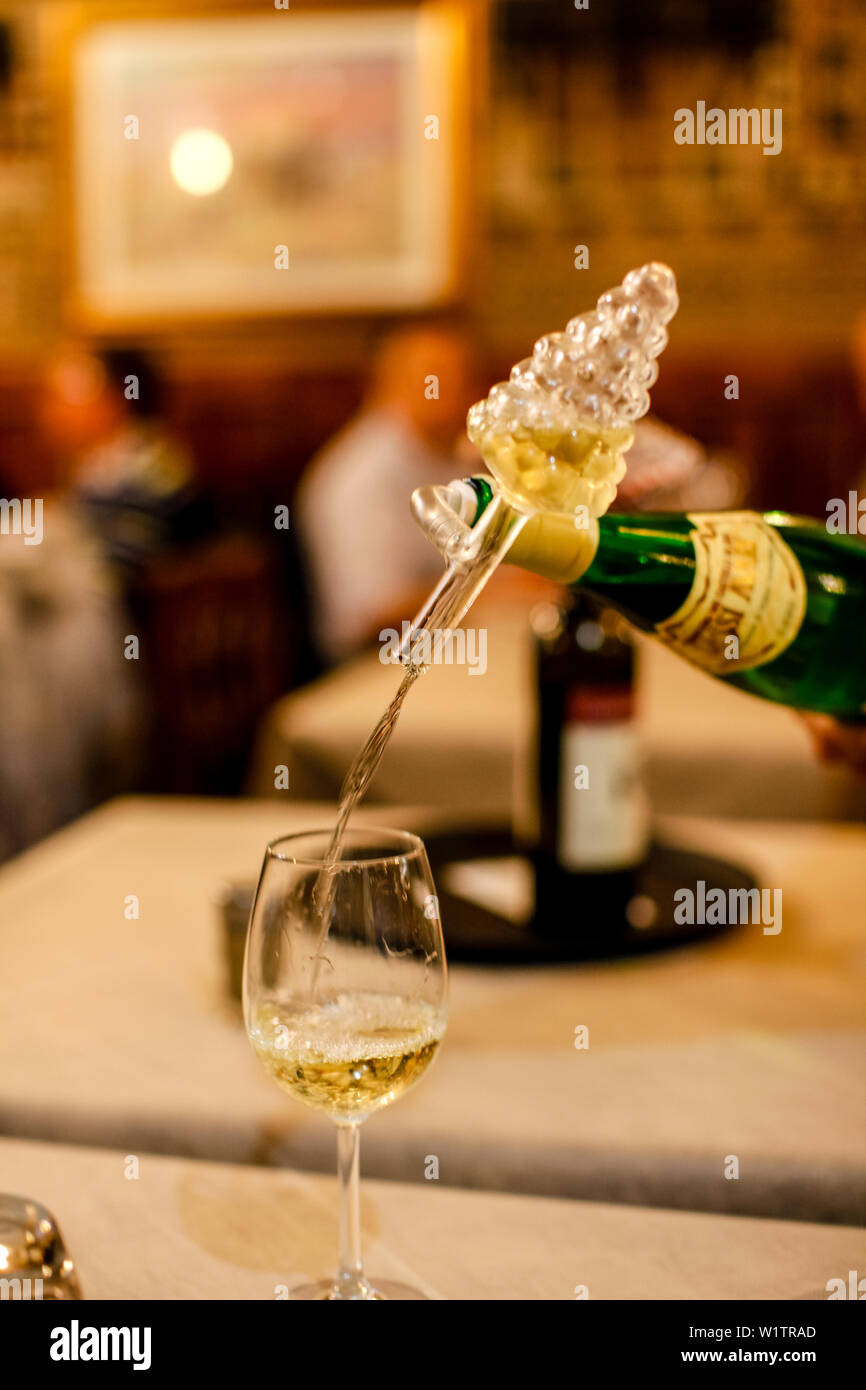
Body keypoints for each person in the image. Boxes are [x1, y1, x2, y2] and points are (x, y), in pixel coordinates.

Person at [296, 321, 484, 665]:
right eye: (439, 376)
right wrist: (496, 591)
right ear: (389, 382)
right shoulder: (359, 476)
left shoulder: (448, 457)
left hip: (438, 652)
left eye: (466, 376)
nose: (462, 392)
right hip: (368, 667)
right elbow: (375, 612)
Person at [39, 344, 208, 579]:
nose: (50, 412)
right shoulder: (95, 464)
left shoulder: (148, 467)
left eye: (63, 398)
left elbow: (122, 559)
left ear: (114, 401)